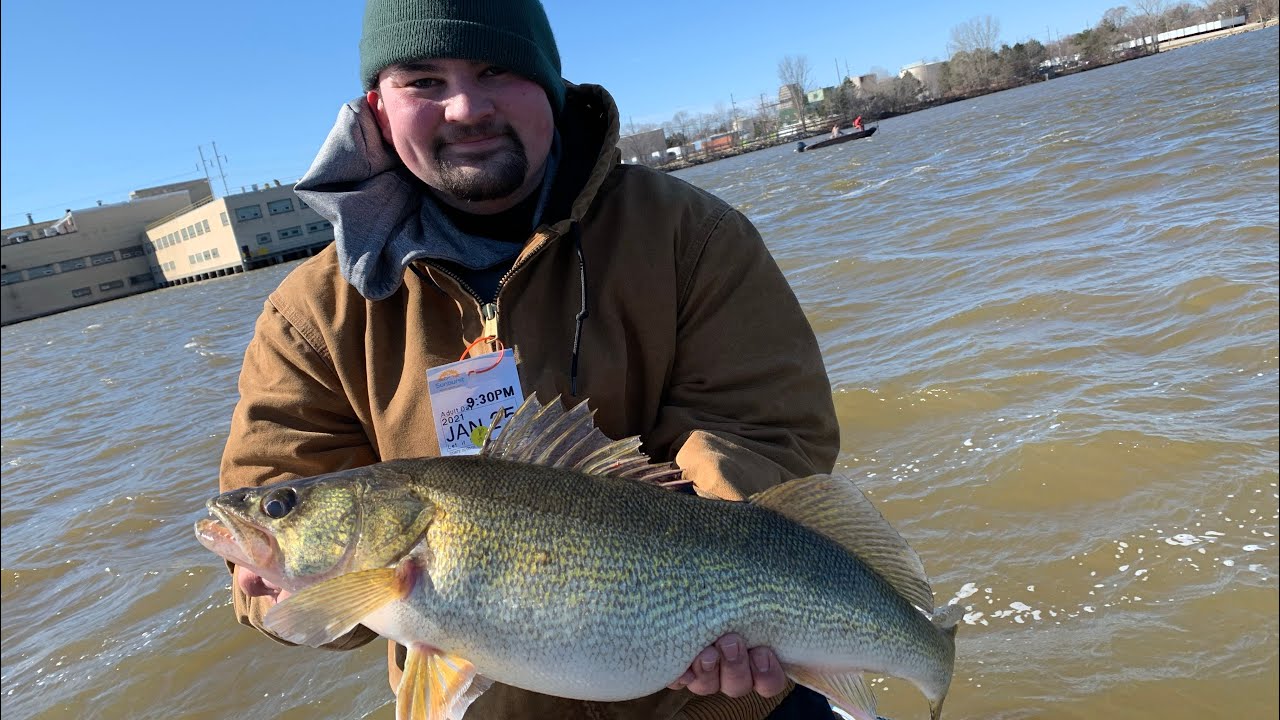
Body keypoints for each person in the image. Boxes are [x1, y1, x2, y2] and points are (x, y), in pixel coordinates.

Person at [218, 1, 840, 718]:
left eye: (497, 69)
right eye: (422, 81)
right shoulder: (312, 317)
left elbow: (766, 429)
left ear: (550, 84)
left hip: (719, 702)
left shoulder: (689, 235)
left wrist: (703, 592)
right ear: (376, 108)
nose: (465, 107)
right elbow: (276, 510)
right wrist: (279, 589)